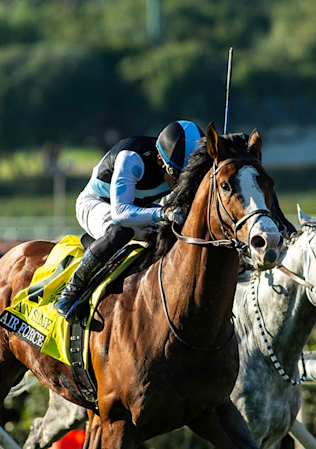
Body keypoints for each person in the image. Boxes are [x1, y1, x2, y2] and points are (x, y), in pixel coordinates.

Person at [53, 120, 204, 321]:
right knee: (119, 231)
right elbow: (120, 213)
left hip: (140, 206)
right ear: (160, 161)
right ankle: (70, 292)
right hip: (98, 204)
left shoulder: (178, 164)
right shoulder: (132, 158)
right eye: (178, 176)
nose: (181, 184)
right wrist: (163, 214)